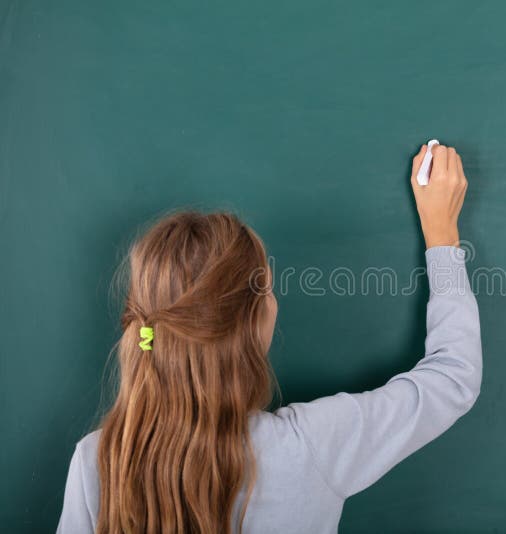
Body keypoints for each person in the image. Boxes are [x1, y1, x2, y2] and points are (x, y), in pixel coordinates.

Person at [57, 143, 482, 533]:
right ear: (253, 321)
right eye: (268, 287)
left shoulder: (97, 463)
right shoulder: (309, 448)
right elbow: (453, 379)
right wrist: (442, 235)